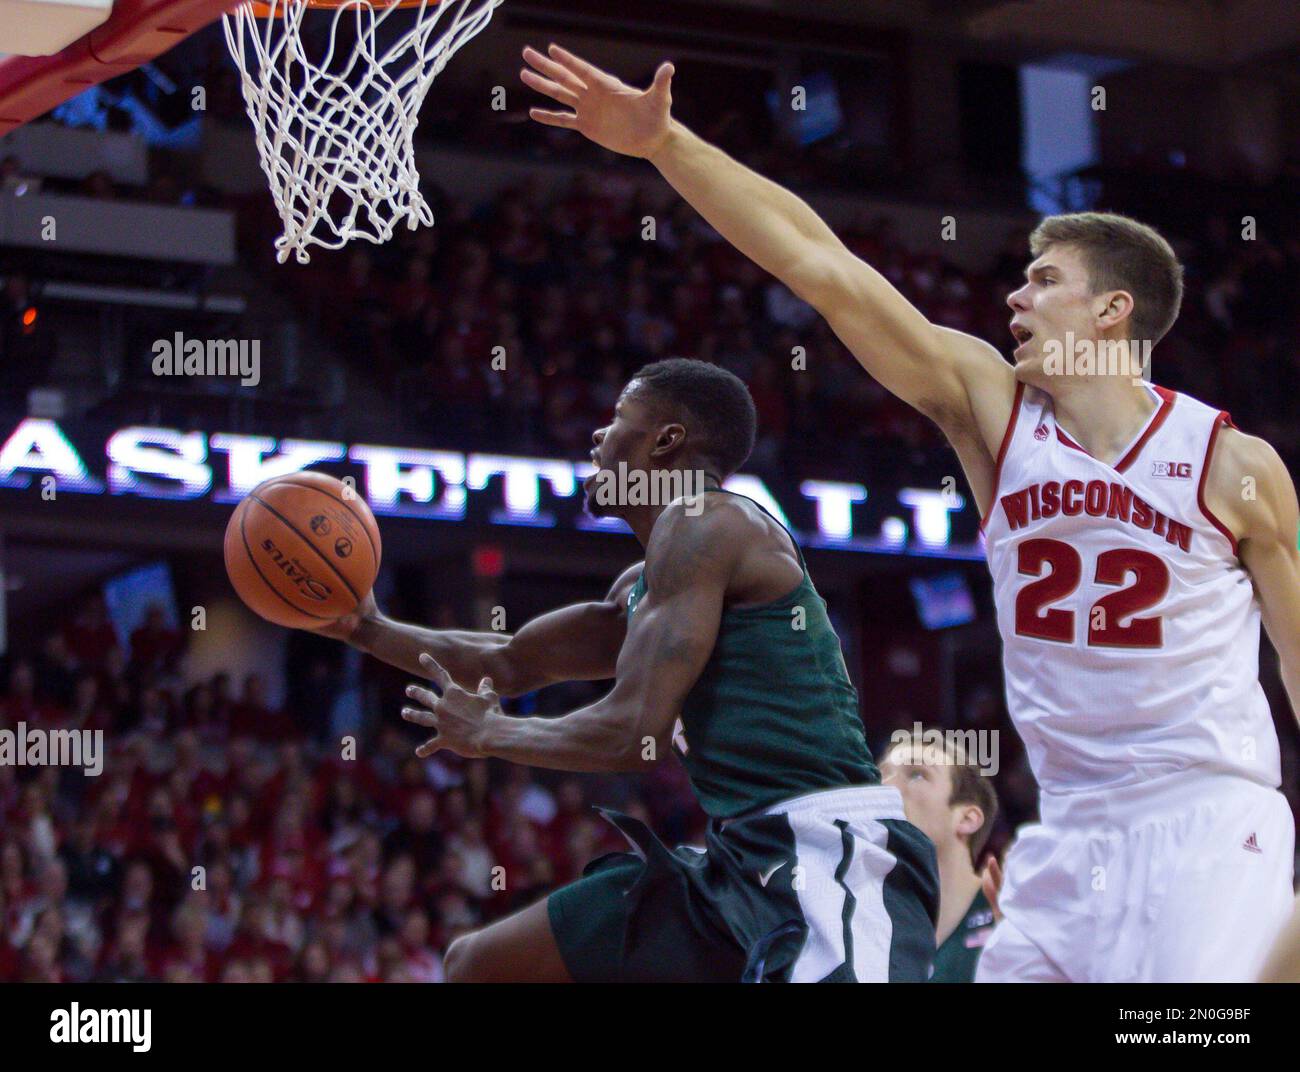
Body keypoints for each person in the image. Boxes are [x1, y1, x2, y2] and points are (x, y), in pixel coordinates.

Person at [518, 44, 1300, 983]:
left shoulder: (1232, 465)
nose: (1014, 293)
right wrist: (668, 145)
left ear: (1113, 311)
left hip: (1209, 817)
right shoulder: (991, 411)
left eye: (1046, 279)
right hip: (1071, 826)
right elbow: (825, 268)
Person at [312, 358, 938, 982]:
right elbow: (505, 664)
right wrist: (365, 628)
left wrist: (491, 734)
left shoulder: (710, 522)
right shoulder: (644, 585)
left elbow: (632, 733)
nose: (596, 437)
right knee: (480, 964)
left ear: (666, 441)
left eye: (616, 419)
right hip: (736, 858)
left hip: (827, 849)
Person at [880, 731, 999, 983]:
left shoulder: (1014, 914)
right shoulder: (861, 922)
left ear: (967, 819)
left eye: (916, 774)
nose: (886, 786)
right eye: (880, 775)